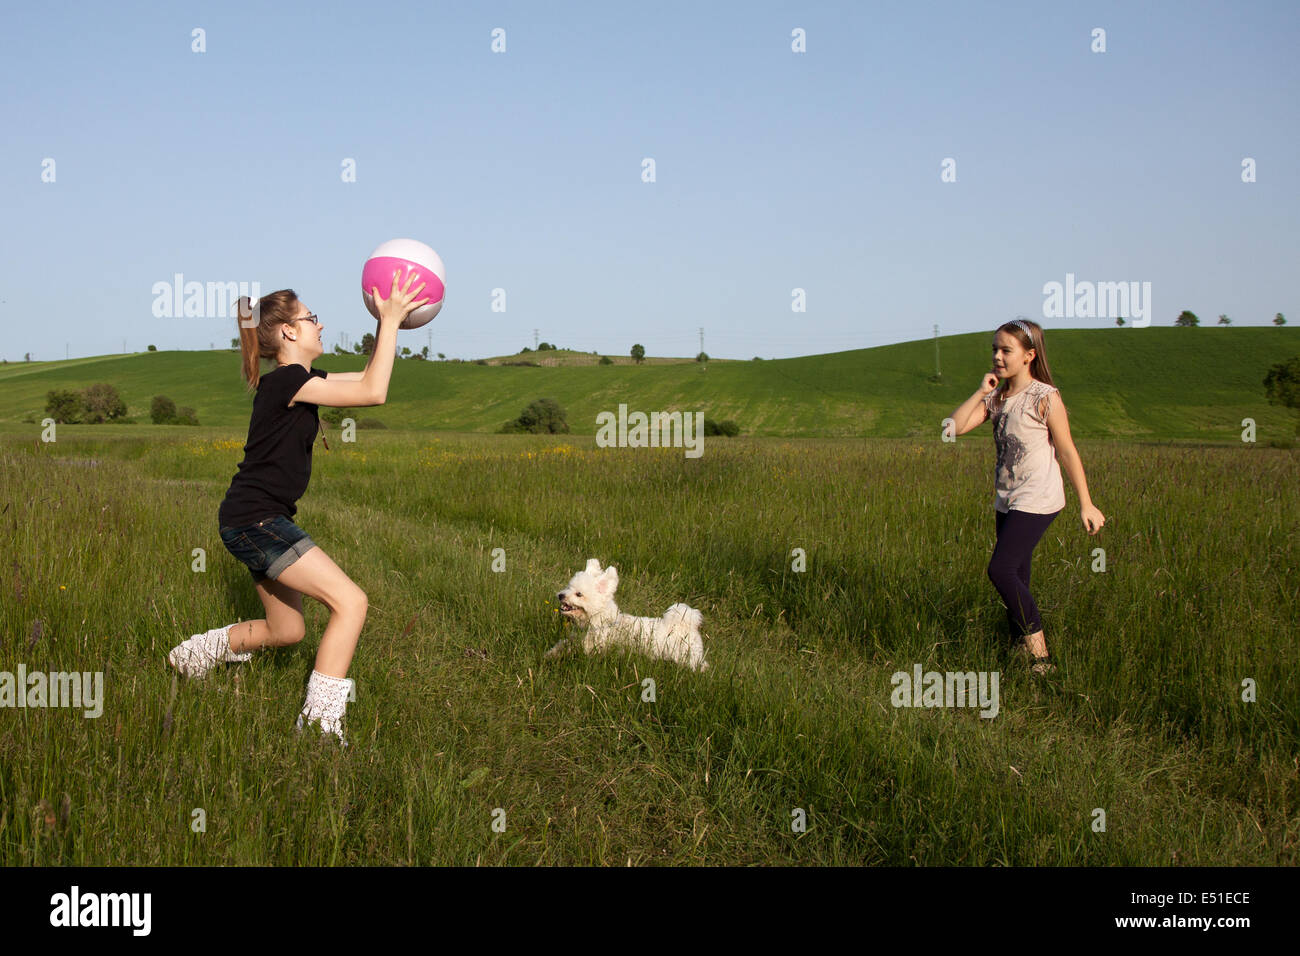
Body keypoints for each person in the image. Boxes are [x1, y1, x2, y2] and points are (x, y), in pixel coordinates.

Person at [167, 271, 429, 744]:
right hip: (257, 521)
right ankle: (319, 726)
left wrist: (389, 324)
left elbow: (371, 380)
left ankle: (197, 653)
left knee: (286, 631)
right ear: (288, 331)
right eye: (312, 318)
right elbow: (374, 393)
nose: (320, 325)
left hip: (252, 521)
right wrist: (388, 321)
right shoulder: (287, 381)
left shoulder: (302, 379)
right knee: (351, 603)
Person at [949, 318, 1105, 675]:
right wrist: (980, 391)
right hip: (1007, 497)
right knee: (1017, 575)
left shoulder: (1044, 397)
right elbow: (952, 429)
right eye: (994, 349)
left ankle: (1040, 656)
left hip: (1038, 496)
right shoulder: (997, 397)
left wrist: (1086, 502)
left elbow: (1066, 450)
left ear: (1029, 356)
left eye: (1006, 350)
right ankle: (1017, 649)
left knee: (1000, 570)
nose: (998, 357)